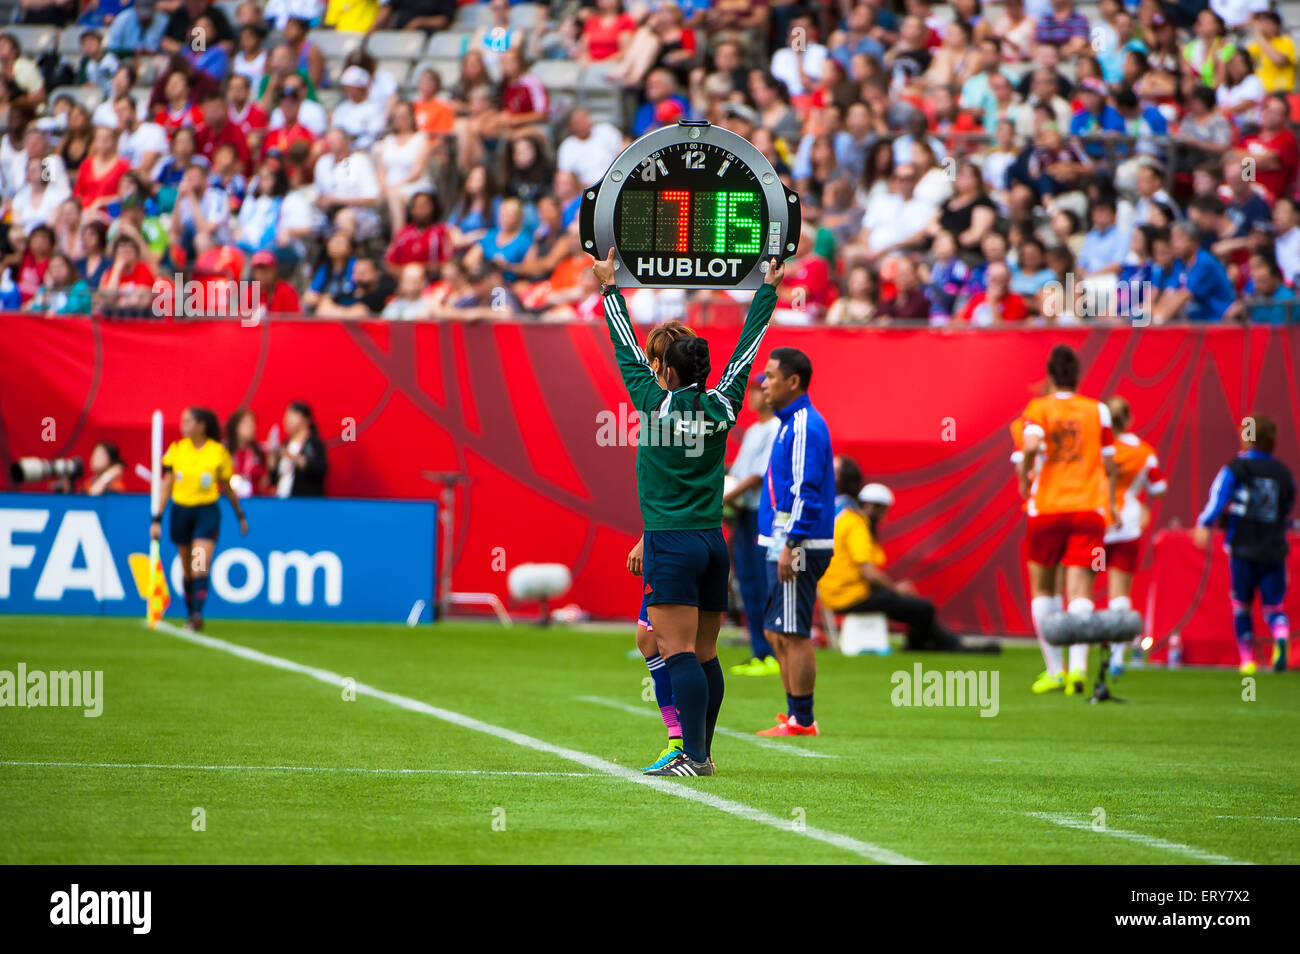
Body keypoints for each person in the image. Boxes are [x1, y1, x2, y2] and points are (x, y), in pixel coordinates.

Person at [594, 246, 781, 777]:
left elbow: (626, 349)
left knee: (673, 651)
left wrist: (609, 287)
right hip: (709, 541)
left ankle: (693, 755)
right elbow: (747, 349)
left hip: (670, 541)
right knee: (703, 654)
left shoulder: (653, 404)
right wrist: (767, 289)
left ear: (668, 374)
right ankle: (701, 751)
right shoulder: (723, 405)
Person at [1017, 345, 1119, 695]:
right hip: (1089, 508)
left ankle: (1054, 671)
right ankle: (1079, 670)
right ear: (1078, 376)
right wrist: (1114, 503)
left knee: (1043, 589)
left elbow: (1030, 447)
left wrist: (1023, 477)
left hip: (1046, 508)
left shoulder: (1038, 408)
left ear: (1049, 376)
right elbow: (1109, 462)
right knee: (1080, 592)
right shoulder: (1098, 410)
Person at [625, 318, 699, 772]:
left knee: (672, 644)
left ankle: (685, 743)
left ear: (664, 365)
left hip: (674, 538)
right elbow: (669, 484)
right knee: (652, 639)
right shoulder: (697, 409)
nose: (651, 369)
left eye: (654, 361)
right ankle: (684, 740)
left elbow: (675, 487)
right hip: (677, 532)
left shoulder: (664, 411)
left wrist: (647, 537)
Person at [754, 347, 835, 737]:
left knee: (792, 631)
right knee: (776, 630)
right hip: (784, 541)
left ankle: (803, 719)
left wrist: (792, 543)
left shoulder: (803, 424)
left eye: (770, 376)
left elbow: (807, 489)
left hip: (799, 545)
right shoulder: (788, 423)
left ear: (793, 382)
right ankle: (795, 714)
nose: (763, 382)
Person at [819, 480, 997, 652]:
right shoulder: (856, 526)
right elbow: (869, 573)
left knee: (917, 608)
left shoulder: (847, 520)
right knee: (922, 608)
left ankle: (938, 643)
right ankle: (937, 645)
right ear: (874, 507)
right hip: (848, 596)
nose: (884, 517)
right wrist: (896, 590)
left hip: (842, 593)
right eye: (883, 511)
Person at [1194, 413, 1294, 674]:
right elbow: (1286, 508)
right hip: (1274, 549)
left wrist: (1204, 523)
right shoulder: (1284, 474)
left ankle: (1248, 661)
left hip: (1242, 547)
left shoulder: (1237, 468)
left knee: (1242, 606)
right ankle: (1280, 635)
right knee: (1273, 607)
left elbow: (1219, 498)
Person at [151, 406, 249, 631]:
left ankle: (197, 614)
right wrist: (157, 517)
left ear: (201, 425)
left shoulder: (217, 452)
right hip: (181, 510)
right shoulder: (177, 449)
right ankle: (190, 613)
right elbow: (167, 485)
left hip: (206, 511)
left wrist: (239, 515)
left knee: (199, 563)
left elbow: (227, 487)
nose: (183, 425)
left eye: (188, 421)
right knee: (187, 567)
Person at [1102, 396, 1167, 675]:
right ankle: (1118, 657)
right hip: (1127, 525)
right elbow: (1160, 488)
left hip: (1097, 521)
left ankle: (1073, 666)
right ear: (1129, 420)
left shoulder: (1098, 448)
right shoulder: (1143, 452)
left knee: (1080, 589)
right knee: (1120, 592)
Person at [723, 376, 781, 677]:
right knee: (747, 583)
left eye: (759, 390)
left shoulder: (774, 428)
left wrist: (724, 497)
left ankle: (770, 652)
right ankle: (759, 651)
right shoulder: (754, 430)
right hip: (744, 513)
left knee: (762, 583)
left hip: (761, 513)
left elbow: (758, 475)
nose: (754, 396)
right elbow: (742, 473)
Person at [225, 407, 270, 497]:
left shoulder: (261, 451)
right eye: (246, 423)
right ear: (236, 427)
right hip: (228, 500)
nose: (253, 427)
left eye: (253, 423)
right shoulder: (223, 451)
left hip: (255, 501)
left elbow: (266, 481)